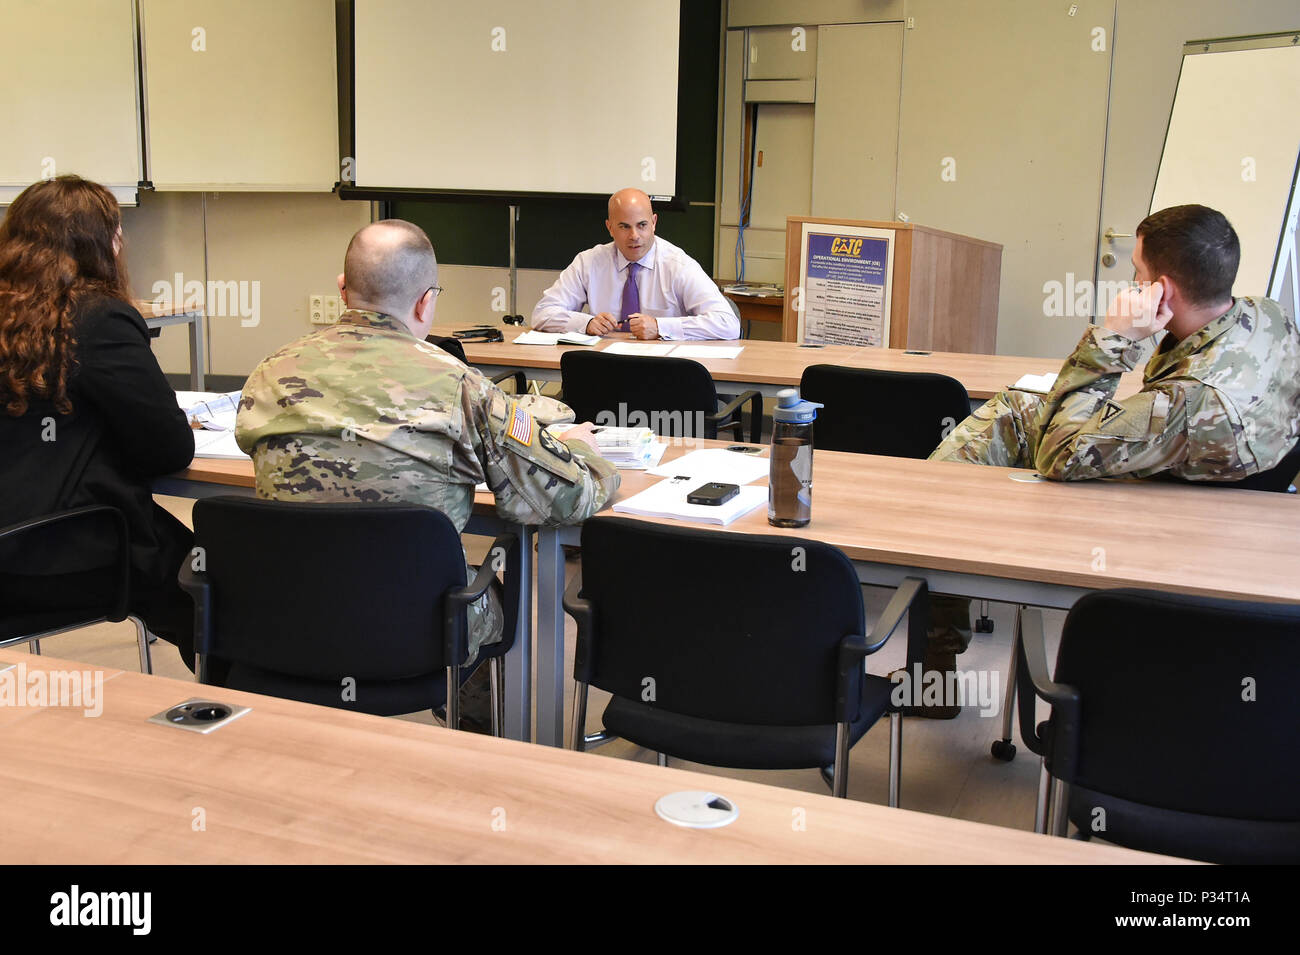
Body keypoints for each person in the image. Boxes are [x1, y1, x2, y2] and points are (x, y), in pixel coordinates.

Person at [921, 204, 1300, 717]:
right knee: (1016, 409)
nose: (1131, 286)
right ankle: (938, 574)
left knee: (985, 445)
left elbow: (1061, 454)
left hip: (1173, 510)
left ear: (1161, 291)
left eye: (1137, 275)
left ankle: (933, 647)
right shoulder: (1266, 314)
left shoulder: (1192, 402)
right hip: (1236, 496)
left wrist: (1114, 340)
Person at [235, 220, 620, 725]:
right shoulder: (462, 386)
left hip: (287, 613)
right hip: (416, 623)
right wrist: (584, 452)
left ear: (342, 288)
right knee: (494, 589)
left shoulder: (270, 371)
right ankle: (475, 732)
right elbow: (561, 498)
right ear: (425, 302)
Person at [0, 176, 197, 663]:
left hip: (14, 544)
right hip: (55, 551)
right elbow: (168, 449)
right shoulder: (97, 319)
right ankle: (238, 721)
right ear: (104, 244)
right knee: (218, 583)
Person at [531, 188, 740, 341]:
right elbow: (542, 313)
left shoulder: (678, 265)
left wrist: (661, 326)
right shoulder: (589, 262)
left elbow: (727, 325)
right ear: (610, 227)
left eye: (642, 225)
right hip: (605, 372)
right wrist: (585, 323)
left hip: (663, 377)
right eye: (624, 227)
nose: (634, 236)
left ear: (654, 223)